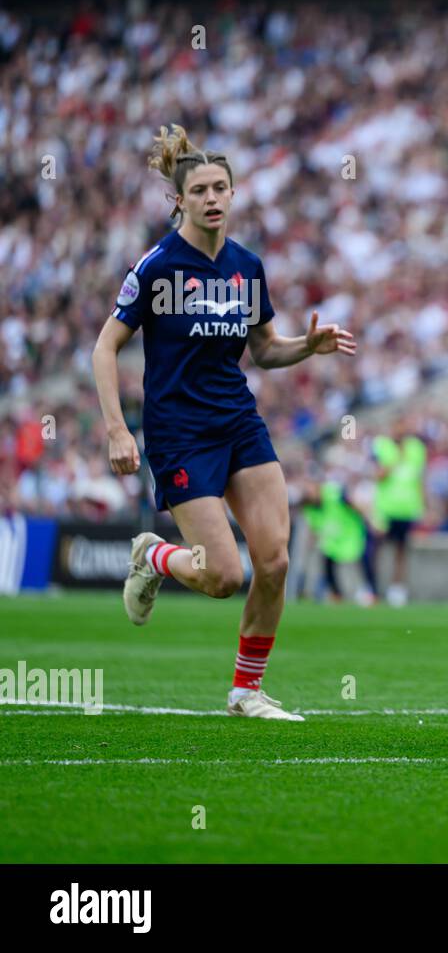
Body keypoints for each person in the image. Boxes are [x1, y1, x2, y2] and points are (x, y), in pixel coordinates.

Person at [92, 124, 356, 720]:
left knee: (276, 562)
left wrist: (305, 347)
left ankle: (246, 692)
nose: (212, 198)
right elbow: (104, 347)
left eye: (221, 188)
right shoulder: (158, 267)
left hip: (239, 423)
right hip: (178, 432)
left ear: (235, 195)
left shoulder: (246, 267)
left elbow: (264, 350)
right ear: (179, 201)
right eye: (201, 190)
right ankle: (154, 556)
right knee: (222, 576)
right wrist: (116, 428)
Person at [371, 414, 427, 606]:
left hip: (407, 508)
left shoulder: (417, 448)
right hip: (385, 508)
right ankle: (372, 587)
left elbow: (419, 478)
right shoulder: (381, 445)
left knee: (401, 550)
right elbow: (378, 475)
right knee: (376, 549)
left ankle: (397, 589)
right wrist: (396, 459)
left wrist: (423, 505)